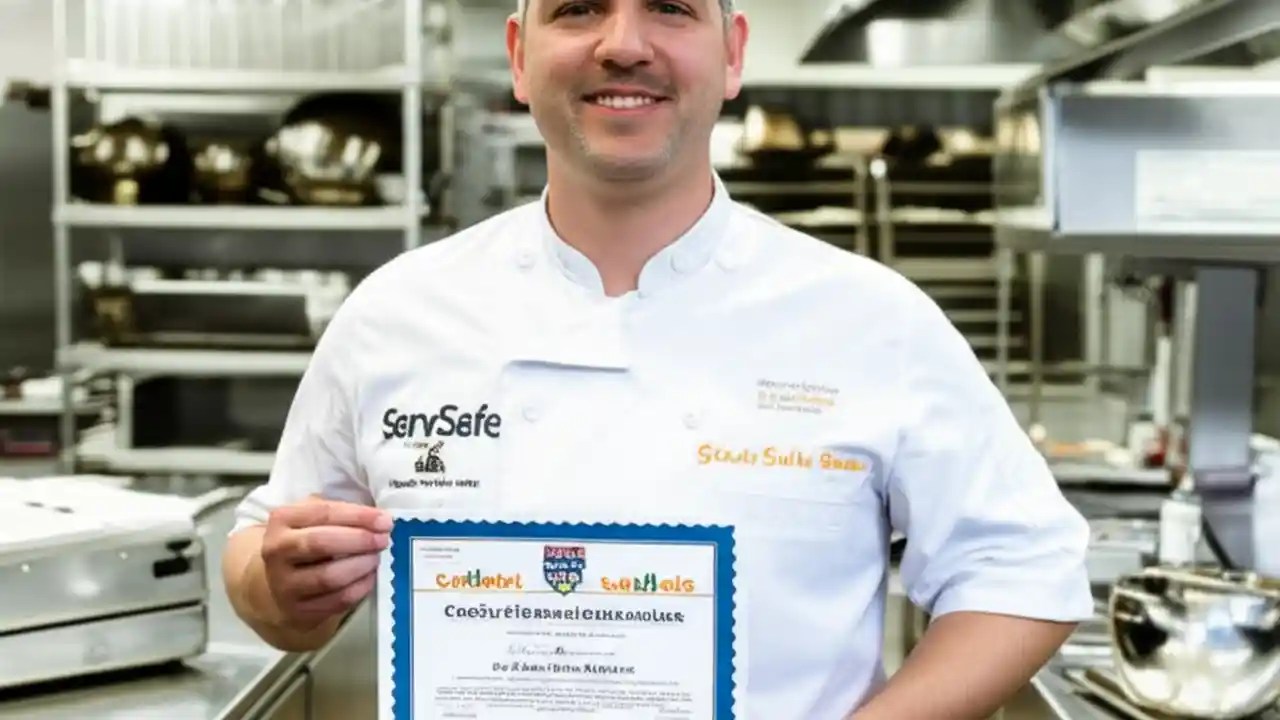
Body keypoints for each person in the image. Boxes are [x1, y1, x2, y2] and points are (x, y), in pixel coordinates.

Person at [223, 0, 1095, 717]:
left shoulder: (871, 319)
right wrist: (281, 585)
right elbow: (260, 548)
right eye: (579, 10)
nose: (623, 44)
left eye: (670, 10)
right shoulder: (397, 311)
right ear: (521, 58)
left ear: (732, 54)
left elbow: (1023, 570)